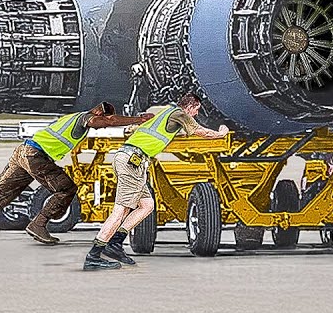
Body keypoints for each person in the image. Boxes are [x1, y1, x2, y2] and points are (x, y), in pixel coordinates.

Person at [0, 102, 151, 245]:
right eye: (105, 116)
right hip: (36, 155)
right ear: (99, 111)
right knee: (66, 188)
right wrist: (139, 120)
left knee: (4, 193)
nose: (107, 121)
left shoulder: (72, 119)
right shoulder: (85, 118)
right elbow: (107, 121)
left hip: (24, 151)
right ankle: (38, 224)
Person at [83, 93, 229, 271]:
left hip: (132, 161)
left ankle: (115, 242)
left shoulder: (165, 113)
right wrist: (221, 133)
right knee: (121, 210)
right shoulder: (180, 114)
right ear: (189, 106)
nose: (196, 114)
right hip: (132, 161)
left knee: (147, 205)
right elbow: (200, 131)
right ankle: (94, 254)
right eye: (196, 110)